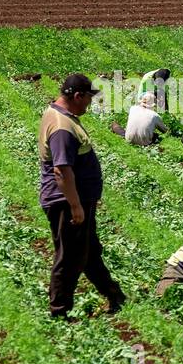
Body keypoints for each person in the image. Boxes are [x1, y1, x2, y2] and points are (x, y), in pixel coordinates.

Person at [38, 74, 125, 319]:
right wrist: (76, 206)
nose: (89, 103)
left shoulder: (61, 115)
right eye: (88, 98)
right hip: (66, 201)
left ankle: (115, 295)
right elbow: (62, 170)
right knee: (70, 257)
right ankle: (59, 312)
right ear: (77, 96)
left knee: (87, 251)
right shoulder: (62, 128)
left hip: (74, 199)